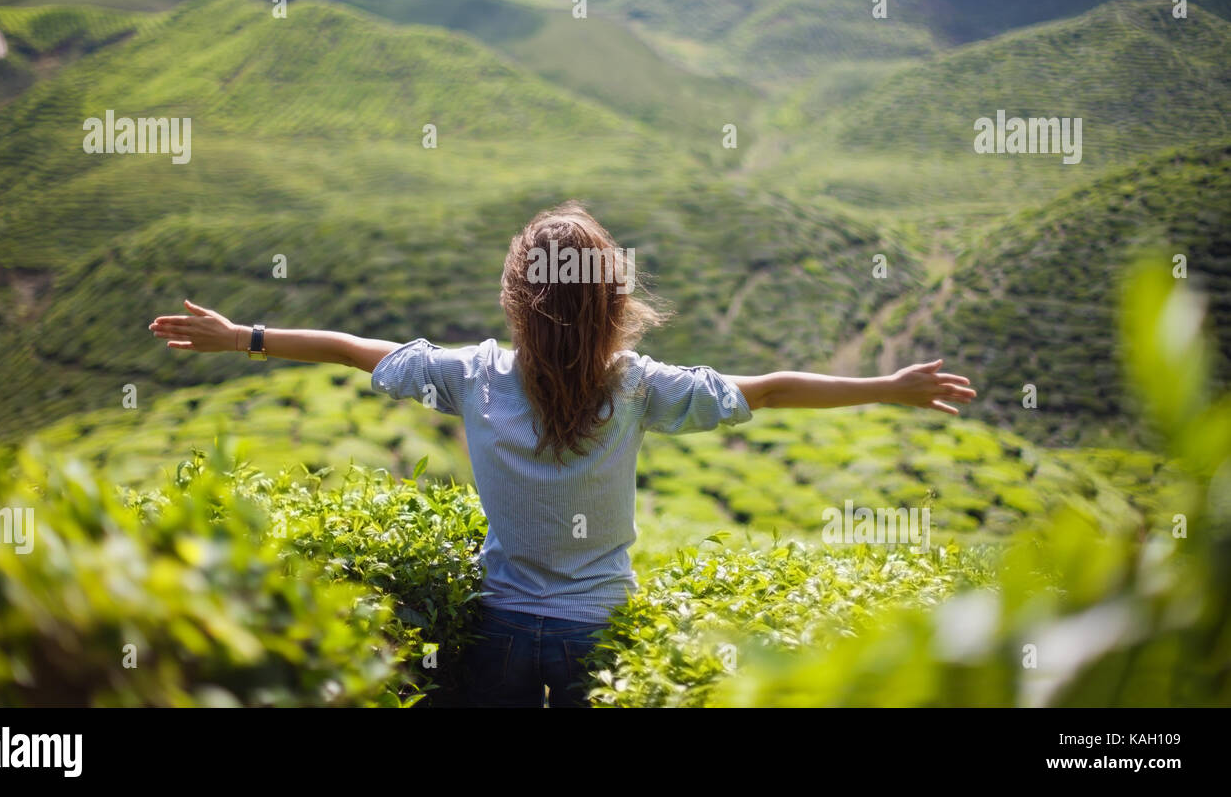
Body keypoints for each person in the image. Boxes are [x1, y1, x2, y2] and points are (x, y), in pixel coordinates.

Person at [148, 201, 975, 707]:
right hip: (602, 629)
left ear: (517, 301)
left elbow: (351, 348)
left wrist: (245, 337)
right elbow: (773, 388)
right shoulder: (639, 386)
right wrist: (887, 386)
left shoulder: (473, 375)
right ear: (613, 302)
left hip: (500, 623)